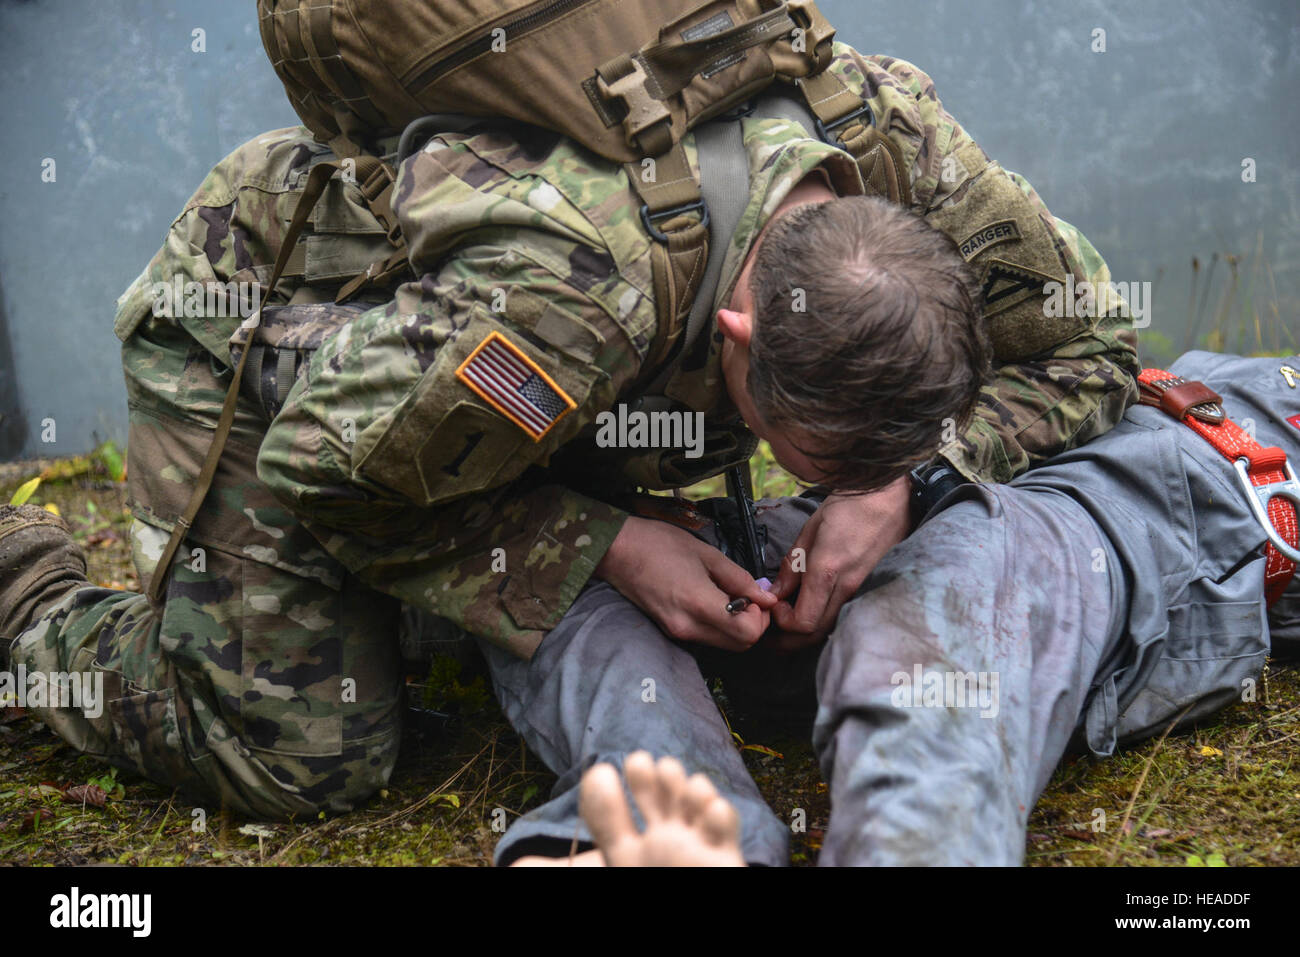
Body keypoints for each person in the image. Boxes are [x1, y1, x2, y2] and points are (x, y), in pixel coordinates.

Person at [0, 24, 1138, 828]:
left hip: (467, 367)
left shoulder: (910, 162)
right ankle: (24, 607)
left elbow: (1092, 346)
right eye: (811, 457)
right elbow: (324, 473)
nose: (827, 483)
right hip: (267, 338)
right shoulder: (568, 310)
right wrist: (603, 545)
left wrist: (897, 484)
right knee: (302, 758)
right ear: (735, 336)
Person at [533, 349, 1300, 866]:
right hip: (1010, 471)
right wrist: (619, 541)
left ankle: (657, 799)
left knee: (930, 632)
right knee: (602, 575)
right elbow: (1076, 351)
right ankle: (661, 809)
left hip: (1092, 504)